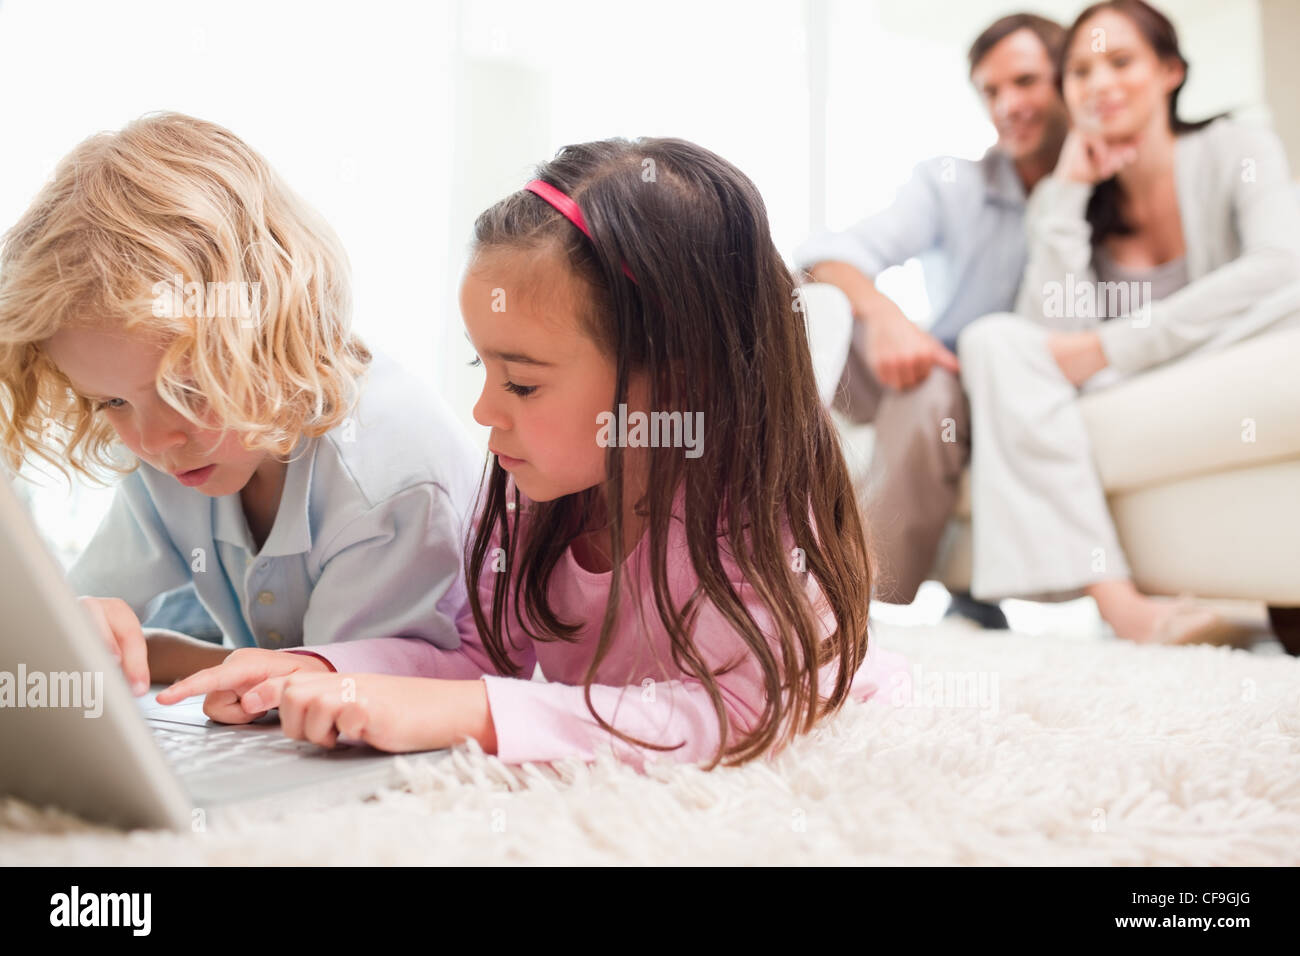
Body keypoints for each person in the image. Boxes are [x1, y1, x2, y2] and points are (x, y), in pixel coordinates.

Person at [159, 137, 910, 771]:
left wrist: (475, 715)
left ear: (676, 378)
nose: (485, 411)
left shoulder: (752, 516)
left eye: (520, 381)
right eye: (480, 369)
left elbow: (734, 715)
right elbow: (478, 657)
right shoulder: (531, 490)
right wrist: (324, 670)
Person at [0, 112, 482, 691]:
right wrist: (87, 624)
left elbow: (323, 694)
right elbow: (89, 607)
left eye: (187, 389)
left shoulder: (387, 477)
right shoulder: (170, 453)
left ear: (273, 333)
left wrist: (163, 652)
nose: (153, 442)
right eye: (110, 403)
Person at [957, 0, 1300, 643]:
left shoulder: (1235, 146)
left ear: (1170, 70)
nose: (1101, 84)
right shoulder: (1071, 196)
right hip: (1132, 389)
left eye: (1121, 61)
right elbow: (1051, 331)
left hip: (1227, 355)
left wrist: (1112, 345)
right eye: (1082, 71)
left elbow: (1281, 267)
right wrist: (1064, 193)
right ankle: (1121, 604)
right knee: (994, 341)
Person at [795, 13, 1069, 628]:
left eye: (1025, 82)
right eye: (992, 91)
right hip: (919, 361)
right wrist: (886, 316)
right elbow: (824, 254)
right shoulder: (953, 183)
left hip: (999, 385)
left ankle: (849, 610)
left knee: (929, 398)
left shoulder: (1102, 196)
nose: (1008, 105)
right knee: (795, 294)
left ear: (1068, 81)